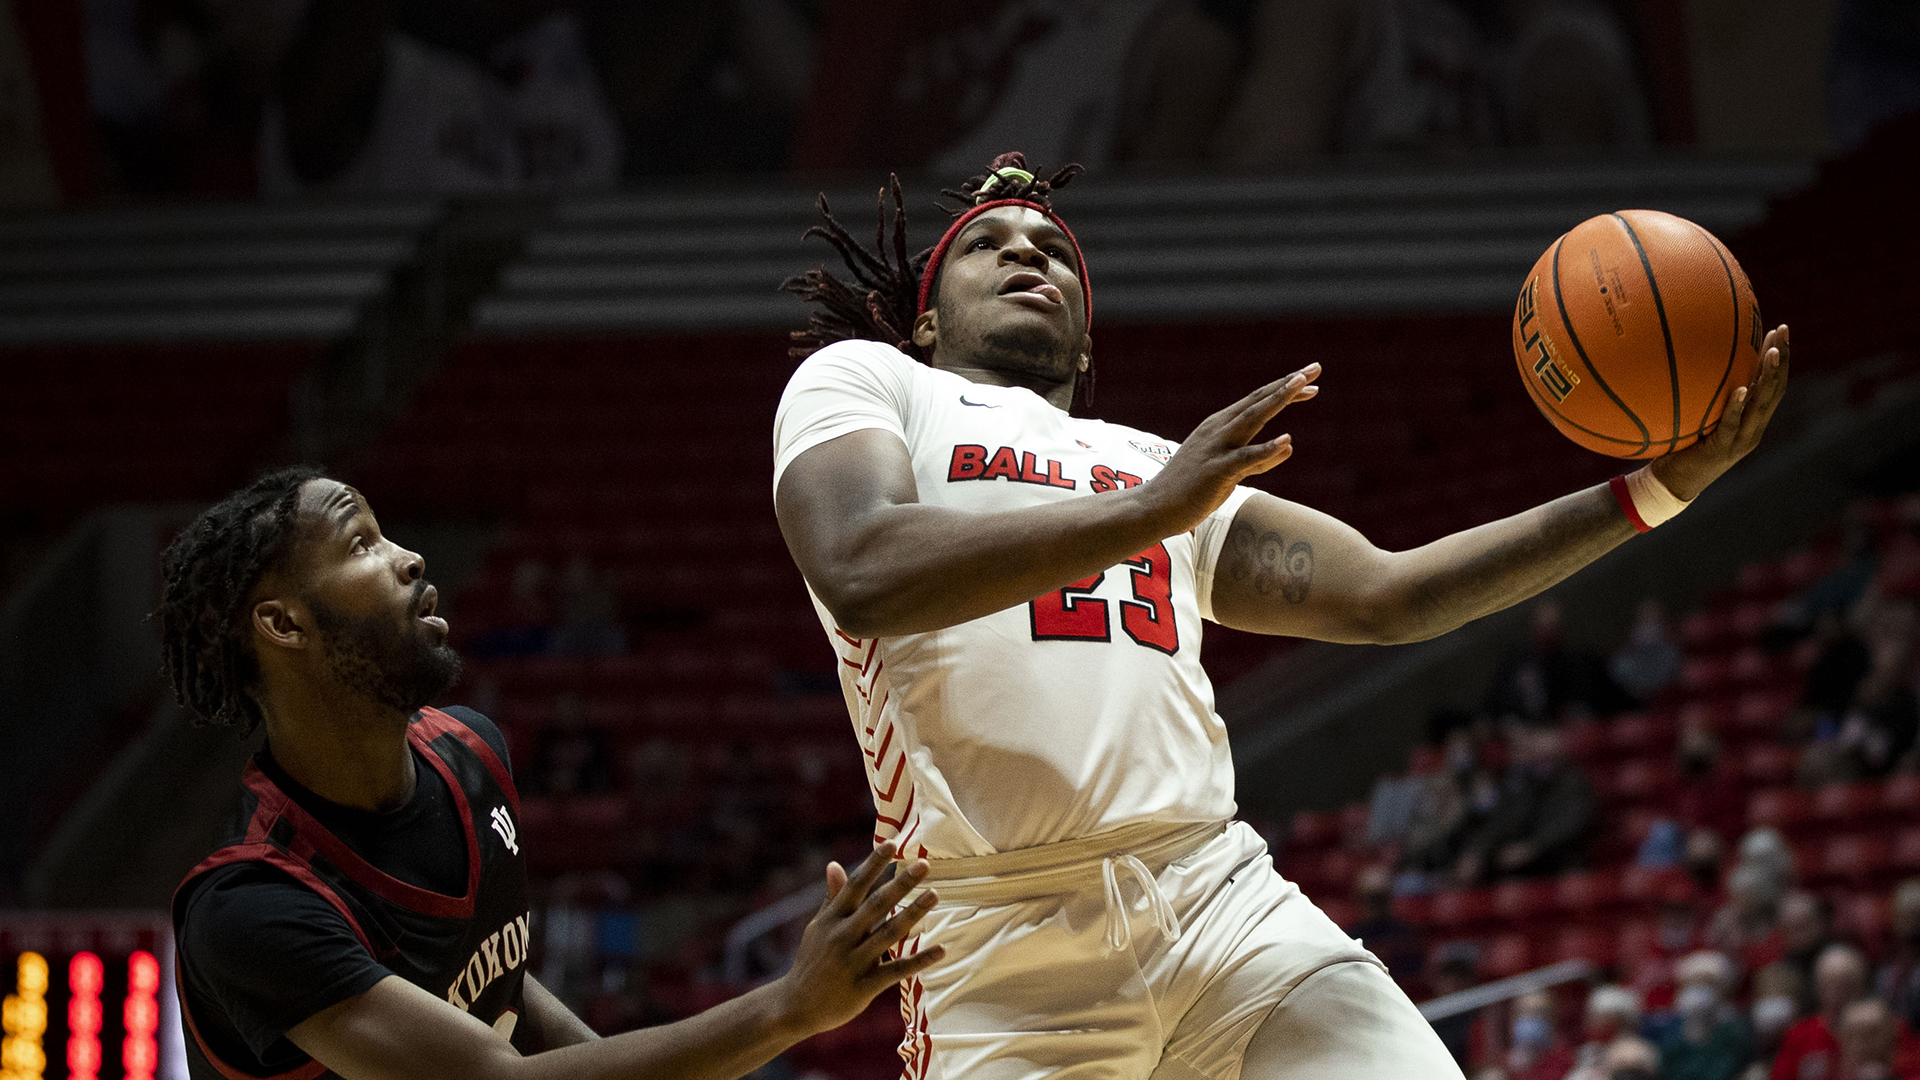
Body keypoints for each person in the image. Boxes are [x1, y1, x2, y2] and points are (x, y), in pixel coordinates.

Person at [769, 151, 1791, 1078]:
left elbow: (1394, 593)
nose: (1026, 252)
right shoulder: (870, 383)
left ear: (1086, 343)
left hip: (1218, 898)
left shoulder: (1156, 462)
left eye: (1054, 251)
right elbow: (860, 565)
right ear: (927, 320)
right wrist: (1148, 511)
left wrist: (1652, 493)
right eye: (986, 245)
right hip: (1001, 944)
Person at [157, 468, 945, 1080]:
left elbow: (503, 994)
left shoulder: (472, 754)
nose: (409, 556)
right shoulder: (255, 904)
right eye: (362, 543)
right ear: (282, 624)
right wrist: (787, 1008)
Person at [1453, 718, 1599, 885]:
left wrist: (1534, 846)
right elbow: (1505, 820)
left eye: (1535, 743)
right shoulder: (1526, 784)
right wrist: (1476, 851)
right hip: (1526, 864)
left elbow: (1572, 822)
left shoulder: (1573, 781)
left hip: (1561, 860)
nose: (1527, 751)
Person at [1774, 943, 1873, 1080]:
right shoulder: (1800, 1035)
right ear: (1818, 987)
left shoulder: (1882, 1030)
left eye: (1845, 984)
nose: (1838, 993)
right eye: (1830, 984)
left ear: (1860, 985)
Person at [1656, 951, 1755, 1080]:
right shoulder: (1671, 1028)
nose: (1700, 989)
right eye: (1694, 982)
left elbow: (1731, 1068)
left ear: (1723, 989)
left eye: (1707, 983)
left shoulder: (1736, 1030)